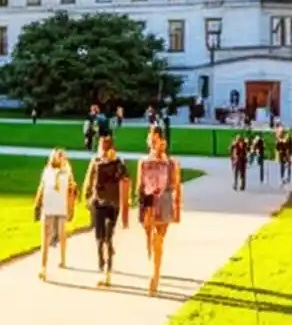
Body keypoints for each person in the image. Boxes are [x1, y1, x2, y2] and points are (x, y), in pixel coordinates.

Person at [138, 126, 182, 295]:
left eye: (158, 140)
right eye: (152, 139)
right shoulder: (144, 162)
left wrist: (177, 209)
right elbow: (140, 186)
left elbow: (176, 186)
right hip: (149, 201)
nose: (155, 143)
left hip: (164, 202)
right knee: (150, 236)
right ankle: (153, 267)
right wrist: (140, 206)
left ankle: (154, 275)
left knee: (159, 239)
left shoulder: (171, 163)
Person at [82, 136, 130, 287]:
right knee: (99, 237)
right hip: (98, 203)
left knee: (108, 236)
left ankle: (107, 269)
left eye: (106, 148)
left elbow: (126, 179)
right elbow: (88, 181)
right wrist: (87, 197)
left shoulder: (118, 163)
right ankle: (100, 258)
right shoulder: (95, 162)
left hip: (112, 204)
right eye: (101, 147)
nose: (103, 151)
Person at [32, 148, 76, 280]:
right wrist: (37, 203)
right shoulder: (47, 172)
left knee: (62, 234)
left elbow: (71, 192)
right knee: (45, 236)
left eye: (62, 156)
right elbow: (41, 187)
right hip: (48, 207)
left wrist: (70, 208)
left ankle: (63, 258)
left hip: (61, 208)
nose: (60, 157)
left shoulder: (67, 173)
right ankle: (43, 267)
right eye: (58, 155)